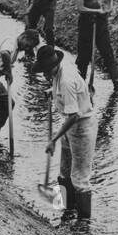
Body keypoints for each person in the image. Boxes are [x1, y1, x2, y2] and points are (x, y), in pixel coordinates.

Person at [35, 44, 98, 221]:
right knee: (64, 171)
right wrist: (52, 92)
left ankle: (83, 225)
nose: (45, 76)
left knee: (80, 178)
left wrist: (53, 139)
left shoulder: (66, 80)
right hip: (70, 126)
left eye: (45, 72)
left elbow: (74, 115)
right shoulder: (59, 73)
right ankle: (67, 210)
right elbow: (69, 93)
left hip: (82, 126)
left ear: (52, 67)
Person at [75, 0, 118, 83]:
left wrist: (109, 7)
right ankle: (81, 82)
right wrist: (96, 11)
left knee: (107, 52)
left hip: (101, 23)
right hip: (86, 23)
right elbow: (81, 8)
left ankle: (116, 82)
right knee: (84, 56)